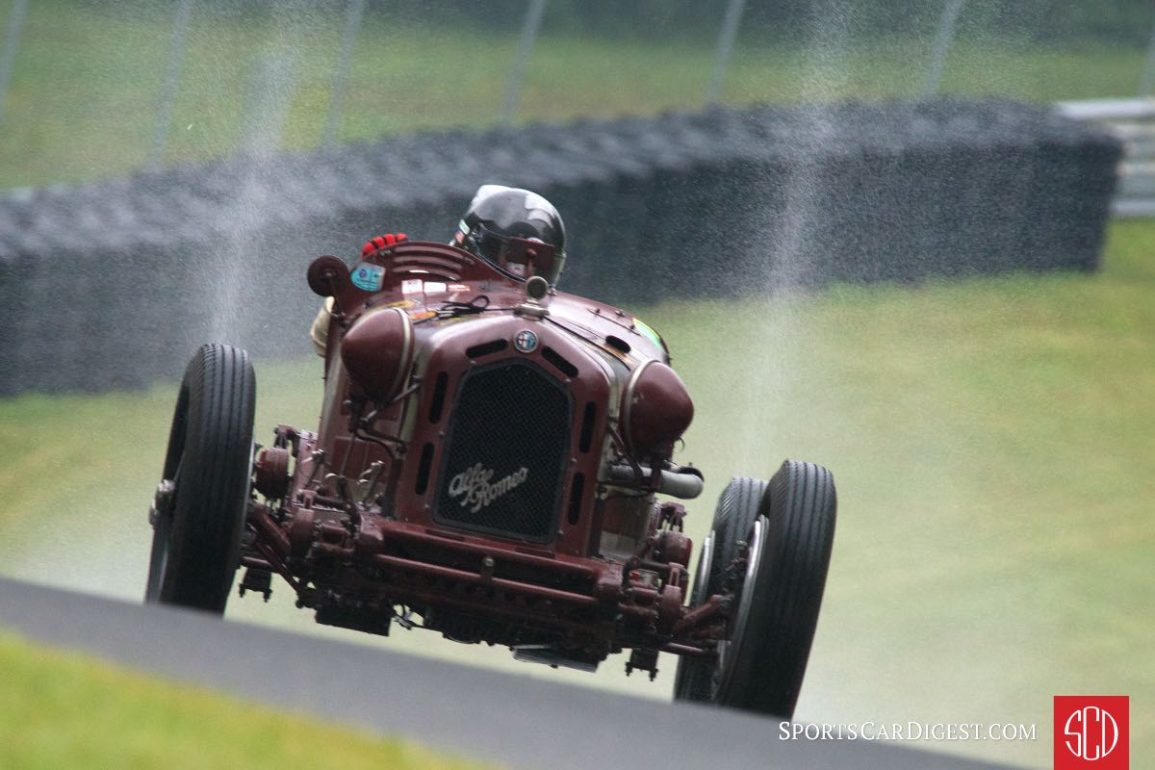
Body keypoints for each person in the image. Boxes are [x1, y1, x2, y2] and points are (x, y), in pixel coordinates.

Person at [310, 185, 566, 356]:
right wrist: (370, 284)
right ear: (477, 243)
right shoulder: (417, 283)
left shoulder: (560, 317)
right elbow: (322, 340)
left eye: (540, 264)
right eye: (512, 257)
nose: (523, 271)